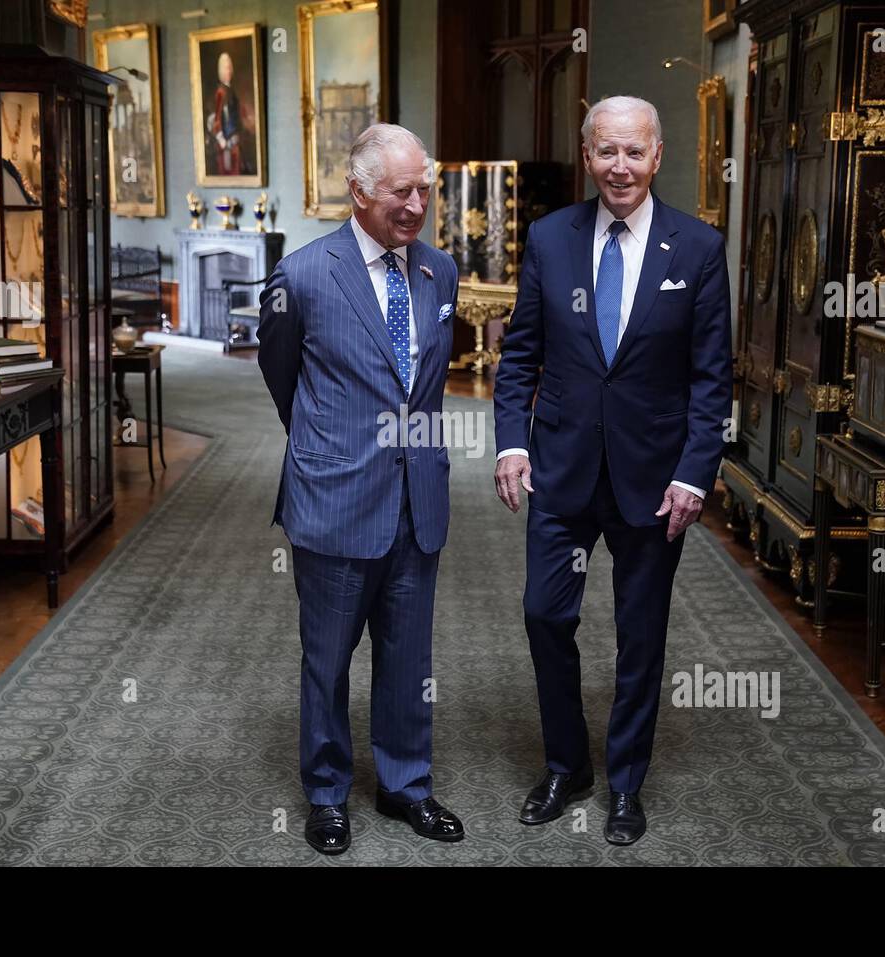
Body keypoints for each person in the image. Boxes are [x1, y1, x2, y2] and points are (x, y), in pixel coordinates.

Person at [493, 95, 732, 845]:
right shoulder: (549, 238)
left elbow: (711, 376)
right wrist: (510, 442)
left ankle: (626, 782)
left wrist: (696, 471)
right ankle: (568, 765)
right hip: (561, 472)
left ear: (658, 156)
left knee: (641, 634)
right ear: (587, 154)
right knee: (543, 613)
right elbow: (519, 356)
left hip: (654, 482)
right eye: (606, 151)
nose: (619, 166)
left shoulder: (697, 248)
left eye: (634, 152)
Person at [257, 123, 463, 855]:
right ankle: (326, 792)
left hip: (418, 499)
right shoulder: (305, 276)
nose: (416, 205)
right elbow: (282, 374)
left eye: (424, 189)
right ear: (359, 191)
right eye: (401, 191)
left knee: (410, 656)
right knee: (329, 656)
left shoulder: (442, 271)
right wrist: (327, 441)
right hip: (335, 497)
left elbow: (430, 389)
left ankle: (407, 785)